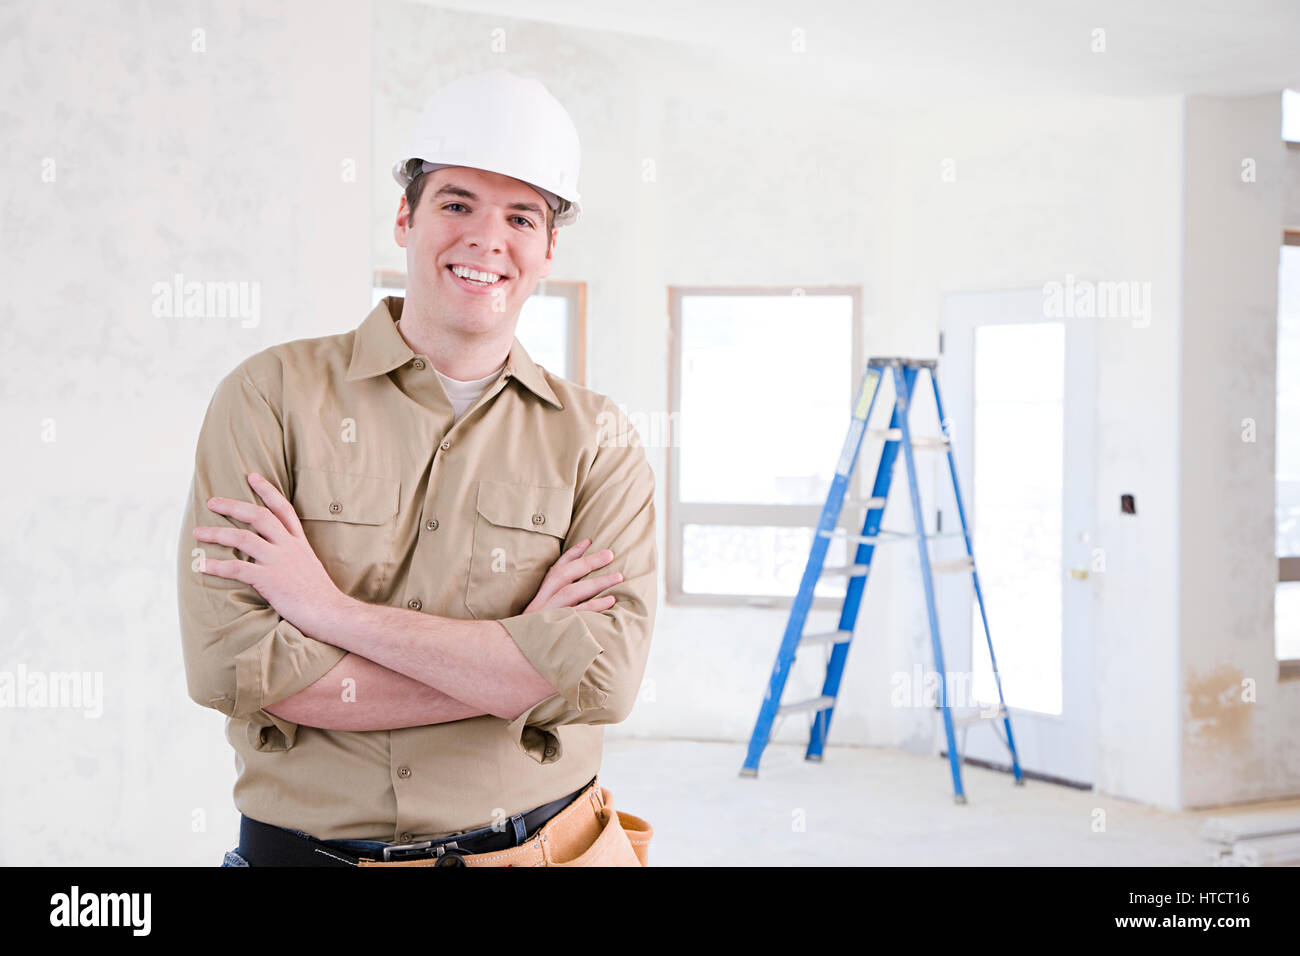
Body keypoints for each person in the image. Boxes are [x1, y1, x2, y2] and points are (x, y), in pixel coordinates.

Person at [176, 69, 657, 867]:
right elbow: (231, 665)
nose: (485, 240)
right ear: (406, 217)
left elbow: (602, 684)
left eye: (520, 216)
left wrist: (328, 612)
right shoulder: (269, 397)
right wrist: (519, 667)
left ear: (546, 250)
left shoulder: (598, 440)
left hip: (546, 851)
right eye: (457, 203)